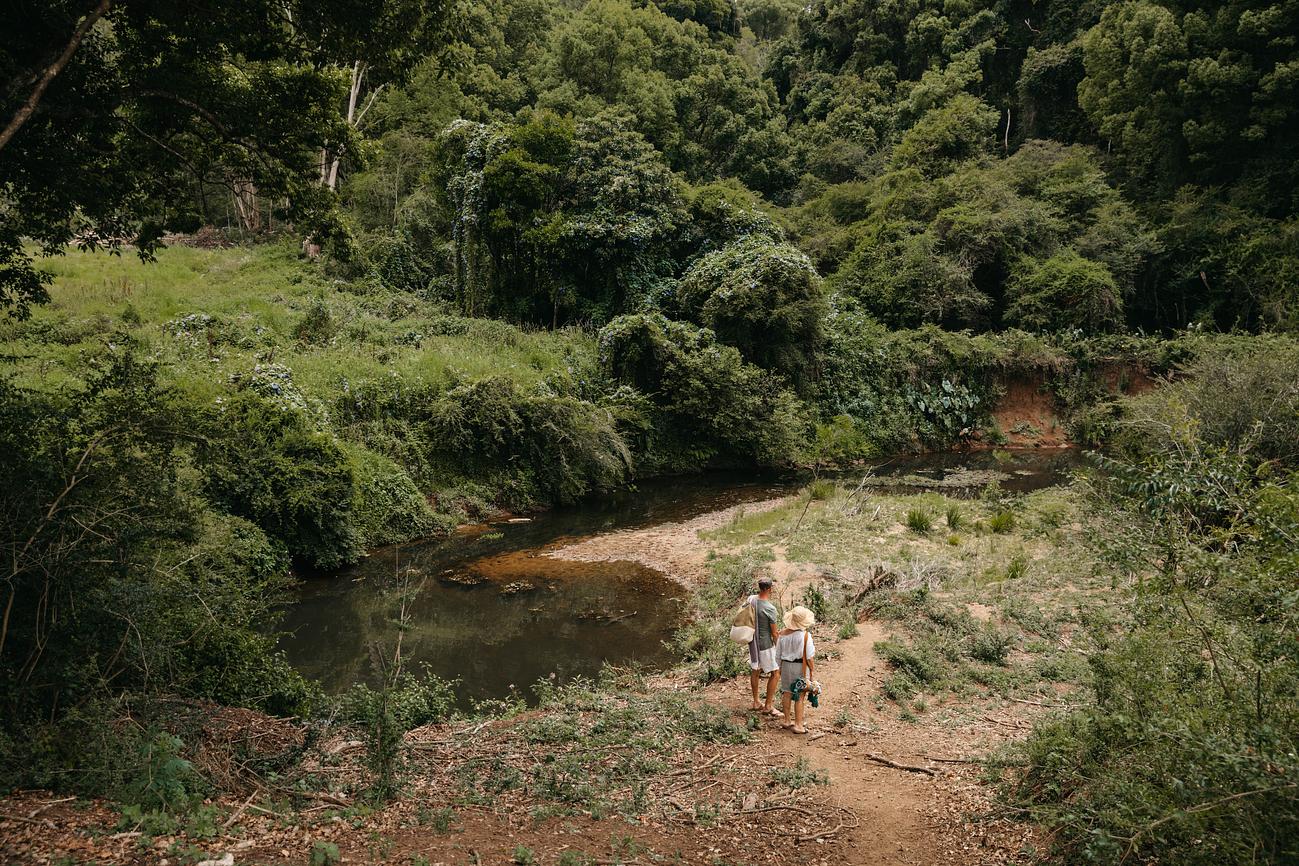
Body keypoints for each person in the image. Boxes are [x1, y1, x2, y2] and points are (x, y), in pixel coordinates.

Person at [746, 576, 782, 717]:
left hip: (753, 643)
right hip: (765, 645)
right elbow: (774, 632)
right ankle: (768, 706)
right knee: (775, 673)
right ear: (769, 589)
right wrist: (778, 647)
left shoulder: (751, 600)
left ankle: (756, 702)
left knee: (755, 671)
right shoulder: (770, 608)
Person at [777, 606, 817, 734]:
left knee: (787, 693)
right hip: (800, 667)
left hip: (786, 666)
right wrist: (812, 671)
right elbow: (810, 657)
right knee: (800, 695)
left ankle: (787, 720)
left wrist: (779, 668)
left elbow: (778, 655)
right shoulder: (805, 636)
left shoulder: (782, 634)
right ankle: (799, 725)